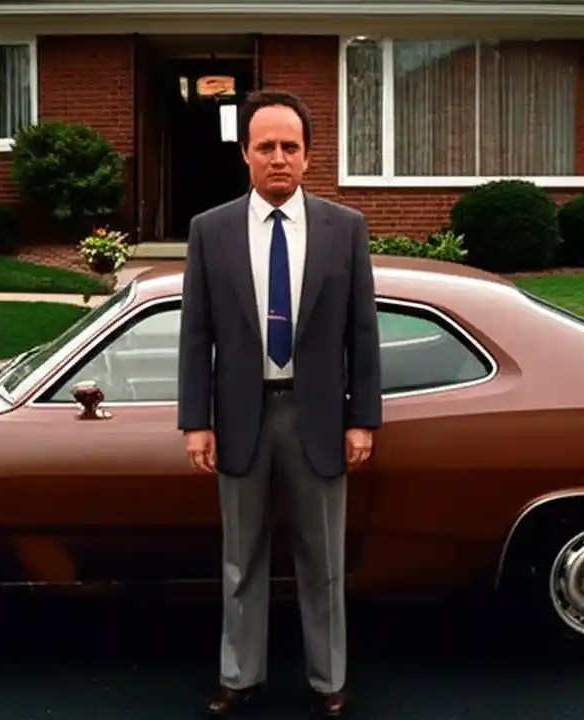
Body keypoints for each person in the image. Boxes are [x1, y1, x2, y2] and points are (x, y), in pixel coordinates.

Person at [177, 89, 383, 718]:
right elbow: (196, 335)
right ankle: (239, 675)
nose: (277, 158)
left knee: (323, 560)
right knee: (242, 558)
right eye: (264, 146)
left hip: (318, 417)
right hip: (241, 418)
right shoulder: (209, 231)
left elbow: (362, 333)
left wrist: (362, 418)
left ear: (308, 157)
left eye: (289, 147)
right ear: (244, 153)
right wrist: (195, 423)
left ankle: (330, 681)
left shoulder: (343, 229)